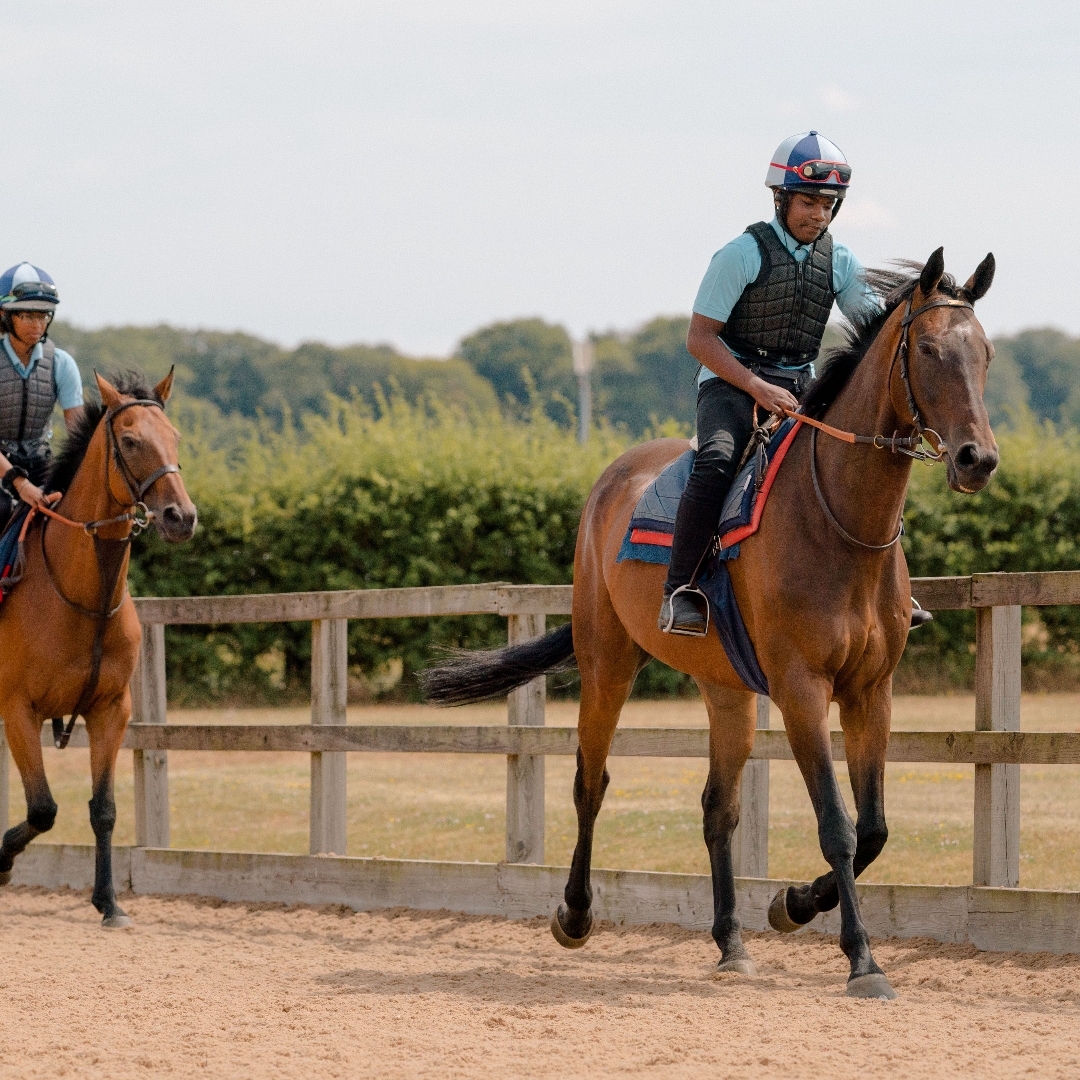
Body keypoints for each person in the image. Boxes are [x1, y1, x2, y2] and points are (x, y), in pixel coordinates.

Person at [660, 131, 893, 635]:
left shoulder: (841, 261)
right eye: (809, 202)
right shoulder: (739, 254)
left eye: (828, 205)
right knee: (718, 459)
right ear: (781, 198)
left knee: (863, 464)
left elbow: (875, 327)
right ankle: (681, 589)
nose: (819, 215)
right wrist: (755, 386)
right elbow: (700, 339)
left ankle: (889, 592)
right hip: (731, 381)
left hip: (801, 384)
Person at [0, 263, 84, 522]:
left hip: (41, 465)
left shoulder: (62, 364)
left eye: (44, 315)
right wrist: (20, 484)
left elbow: (79, 437)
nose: (37, 324)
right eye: (27, 316)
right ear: (4, 315)